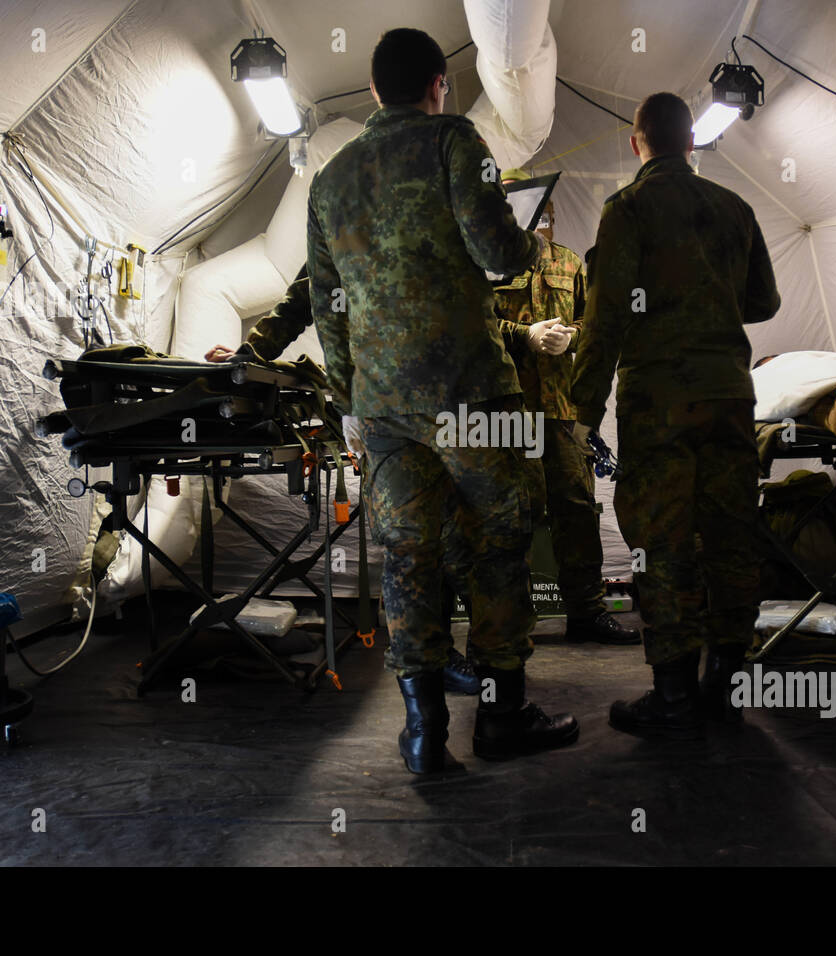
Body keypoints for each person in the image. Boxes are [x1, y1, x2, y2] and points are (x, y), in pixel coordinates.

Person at [307, 28, 579, 773]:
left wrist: (350, 400)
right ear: (439, 84)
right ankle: (501, 716)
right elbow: (498, 253)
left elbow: (327, 307)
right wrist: (529, 244)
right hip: (470, 394)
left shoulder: (329, 181)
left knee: (408, 555)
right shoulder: (455, 140)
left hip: (383, 408)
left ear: (373, 91)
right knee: (499, 543)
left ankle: (424, 731)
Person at [571, 91, 781, 738]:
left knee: (661, 543)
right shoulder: (735, 207)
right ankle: (726, 687)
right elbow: (765, 303)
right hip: (729, 397)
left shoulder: (627, 208)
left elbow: (605, 318)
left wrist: (583, 410)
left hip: (659, 402)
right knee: (731, 536)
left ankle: (673, 696)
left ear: (637, 143)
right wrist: (710, 303)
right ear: (692, 143)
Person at [203, 262, 481, 694]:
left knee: (459, 534)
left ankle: (455, 662)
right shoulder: (338, 227)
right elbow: (299, 301)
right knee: (412, 539)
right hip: (382, 406)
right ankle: (430, 668)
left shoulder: (430, 228)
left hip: (447, 401)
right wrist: (250, 354)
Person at [493, 171, 640, 646]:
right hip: (507, 411)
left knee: (576, 510)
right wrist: (524, 336)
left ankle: (587, 613)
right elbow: (473, 326)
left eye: (543, 214)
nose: (538, 221)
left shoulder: (570, 263)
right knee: (513, 515)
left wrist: (570, 338)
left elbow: (593, 322)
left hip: (561, 408)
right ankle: (509, 625)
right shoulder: (488, 266)